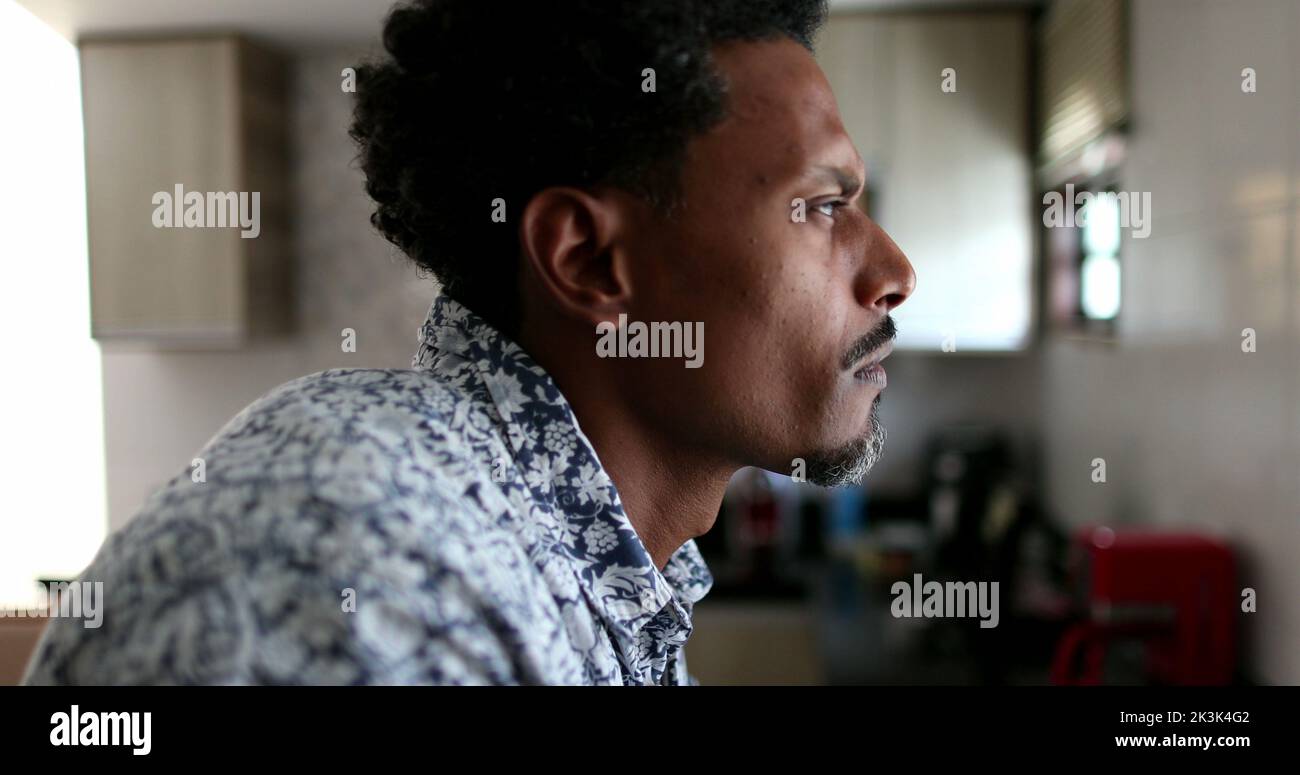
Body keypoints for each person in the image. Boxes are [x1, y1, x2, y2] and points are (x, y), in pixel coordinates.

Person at [24, 0, 914, 686]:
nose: (893, 269)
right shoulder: (359, 561)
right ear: (590, 261)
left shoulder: (599, 559)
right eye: (823, 207)